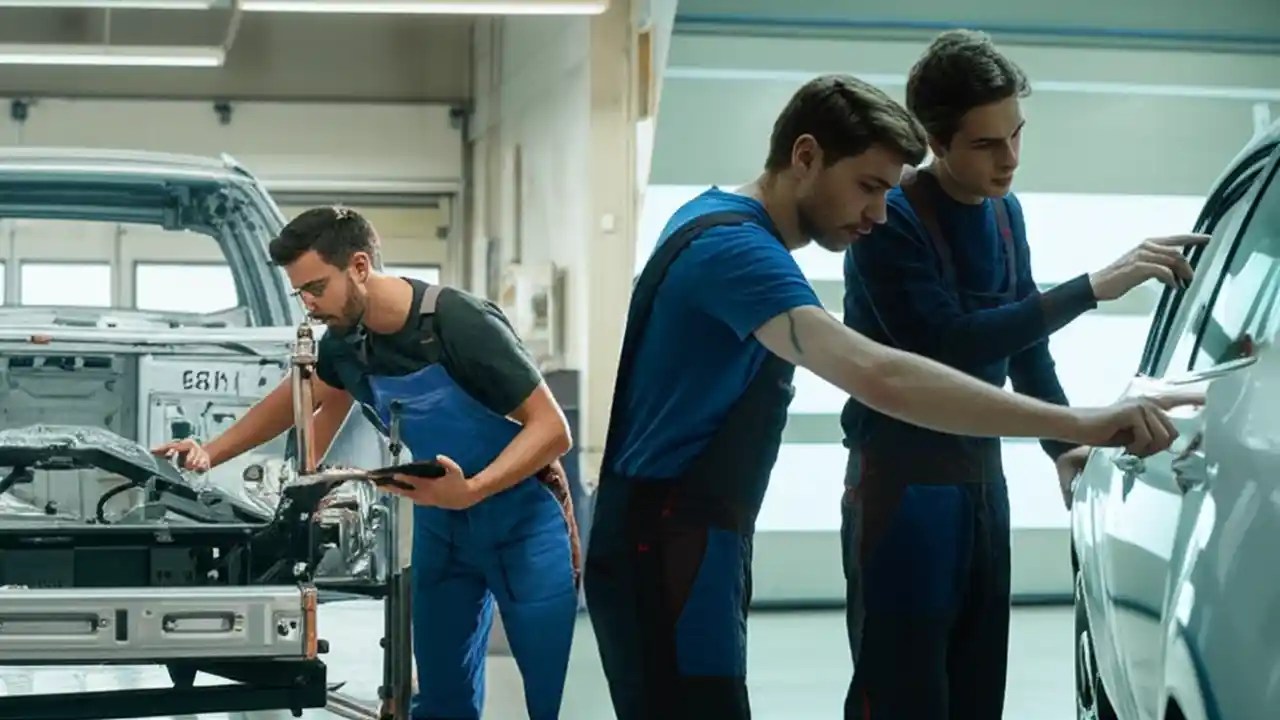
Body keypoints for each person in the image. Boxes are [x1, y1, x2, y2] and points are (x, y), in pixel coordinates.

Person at [583, 72, 1194, 720]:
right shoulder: (734, 248)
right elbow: (882, 376)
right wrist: (1082, 424)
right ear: (806, 156)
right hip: (666, 540)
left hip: (696, 535)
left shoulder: (719, 221)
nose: (878, 215)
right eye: (868, 187)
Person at [838, 30, 1208, 719]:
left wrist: (1062, 448)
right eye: (985, 144)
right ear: (936, 141)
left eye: (1016, 135)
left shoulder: (1006, 215)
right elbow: (946, 347)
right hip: (901, 491)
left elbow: (1025, 345)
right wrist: (1093, 287)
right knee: (904, 696)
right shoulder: (889, 220)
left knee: (979, 692)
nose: (1009, 158)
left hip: (982, 483)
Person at [151, 207, 581, 720]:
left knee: (551, 697)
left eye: (316, 288)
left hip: (524, 519)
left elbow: (553, 429)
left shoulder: (458, 323)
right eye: (300, 294)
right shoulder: (348, 343)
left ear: (359, 266)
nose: (309, 306)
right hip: (441, 521)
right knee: (444, 697)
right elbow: (295, 400)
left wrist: (476, 489)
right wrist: (208, 452)